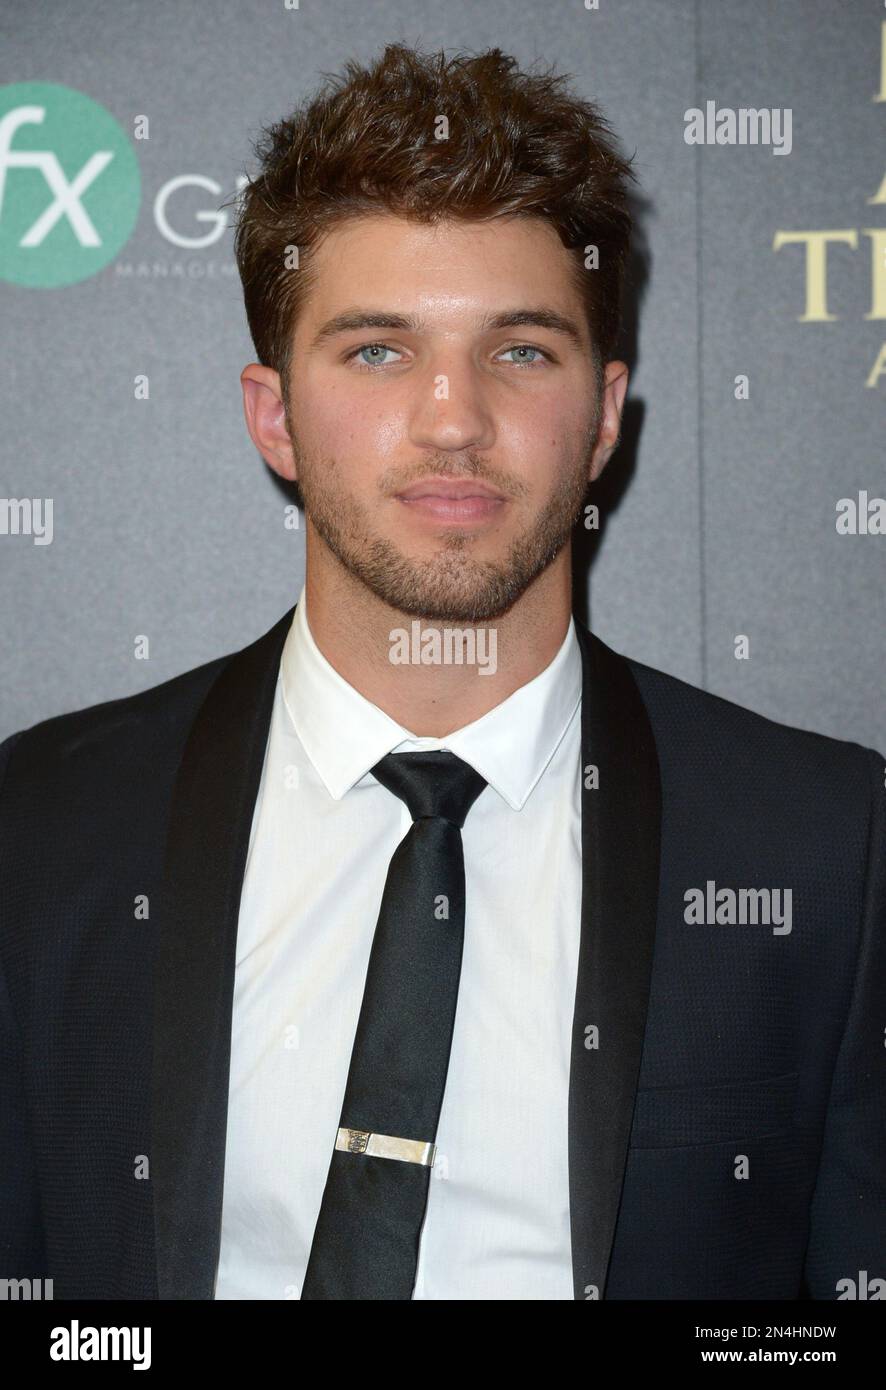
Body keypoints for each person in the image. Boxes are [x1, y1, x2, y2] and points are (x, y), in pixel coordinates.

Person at [1, 43, 883, 1302]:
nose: (453, 416)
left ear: (606, 414)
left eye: (520, 351)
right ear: (273, 416)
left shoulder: (822, 845)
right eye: (375, 352)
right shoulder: (43, 825)